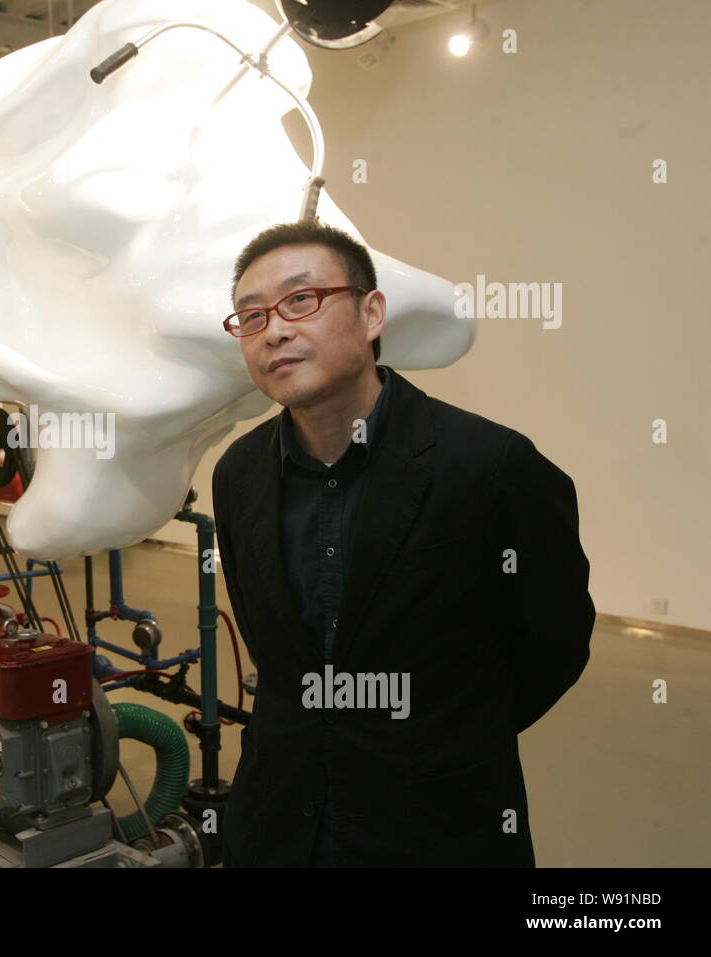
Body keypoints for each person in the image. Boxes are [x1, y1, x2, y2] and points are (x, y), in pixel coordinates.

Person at [212, 221, 594, 867]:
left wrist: (444, 738)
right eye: (251, 316)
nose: (274, 330)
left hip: (438, 826)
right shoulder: (239, 474)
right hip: (279, 820)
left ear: (371, 313)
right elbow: (277, 651)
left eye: (300, 300)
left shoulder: (490, 466)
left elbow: (554, 642)